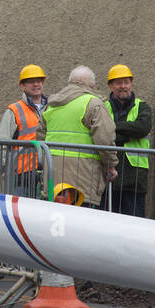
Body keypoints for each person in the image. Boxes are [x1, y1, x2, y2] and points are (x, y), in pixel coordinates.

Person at [37, 66, 118, 209]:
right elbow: (105, 139)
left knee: (55, 223)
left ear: (70, 83)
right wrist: (111, 165)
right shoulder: (94, 104)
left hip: (53, 179)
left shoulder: (52, 105)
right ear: (91, 85)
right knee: (80, 225)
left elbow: (40, 138)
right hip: (83, 180)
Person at [100, 64, 152, 216]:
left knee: (134, 226)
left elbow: (142, 128)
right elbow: (100, 132)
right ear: (110, 86)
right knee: (106, 224)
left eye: (126, 82)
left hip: (134, 177)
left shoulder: (142, 106)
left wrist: (114, 127)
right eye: (118, 83)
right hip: (108, 178)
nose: (123, 86)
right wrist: (129, 131)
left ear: (131, 84)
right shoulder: (103, 107)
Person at [0, 64, 47, 197]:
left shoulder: (51, 108)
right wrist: (4, 167)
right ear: (22, 86)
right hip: (22, 175)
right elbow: (3, 140)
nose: (36, 84)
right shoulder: (14, 110)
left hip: (47, 173)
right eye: (31, 81)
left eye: (39, 81)